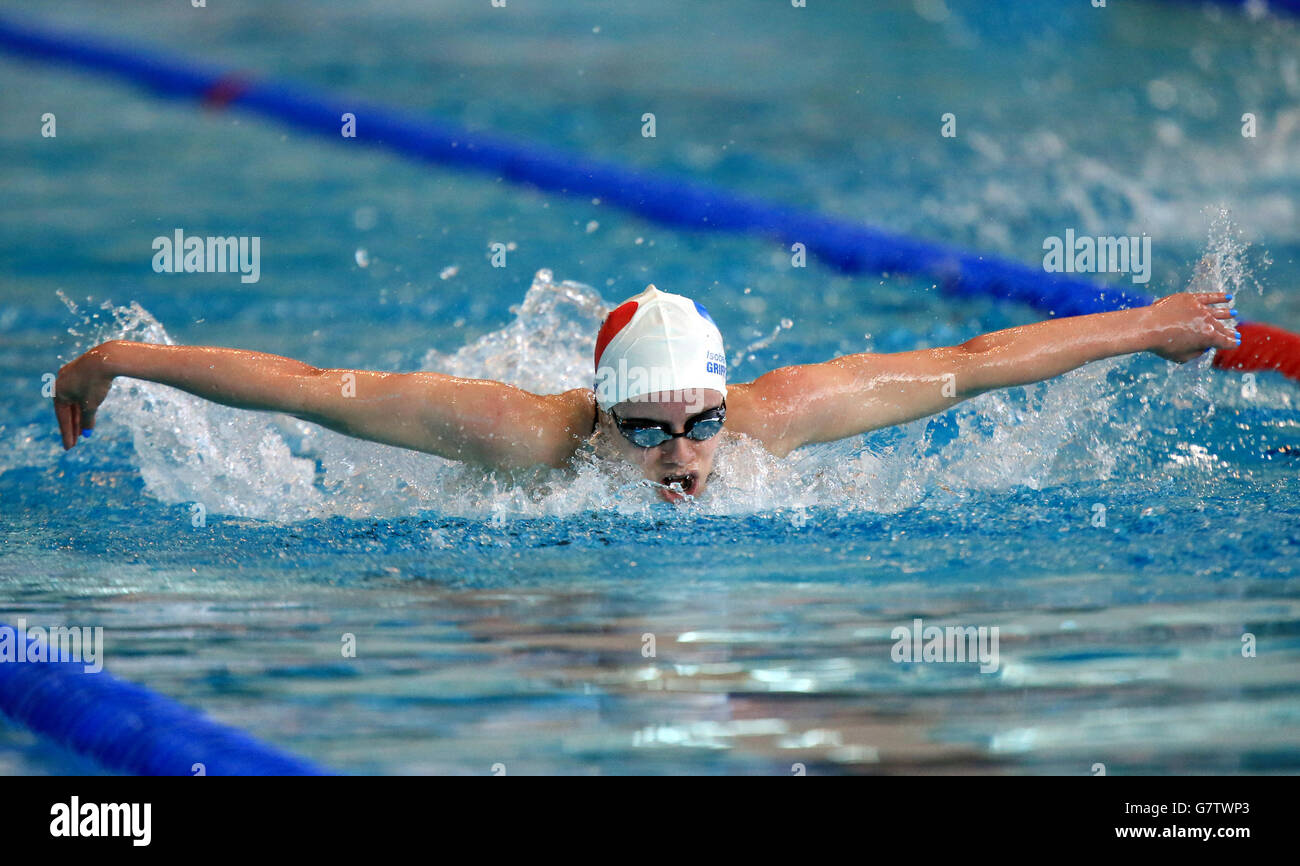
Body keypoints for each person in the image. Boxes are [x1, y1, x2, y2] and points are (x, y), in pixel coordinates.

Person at [53, 283, 1239, 504]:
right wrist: (124, 358)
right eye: (648, 433)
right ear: (598, 415)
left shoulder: (779, 414)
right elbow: (318, 391)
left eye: (700, 424)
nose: (682, 456)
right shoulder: (522, 437)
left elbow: (975, 362)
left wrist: (1153, 326)